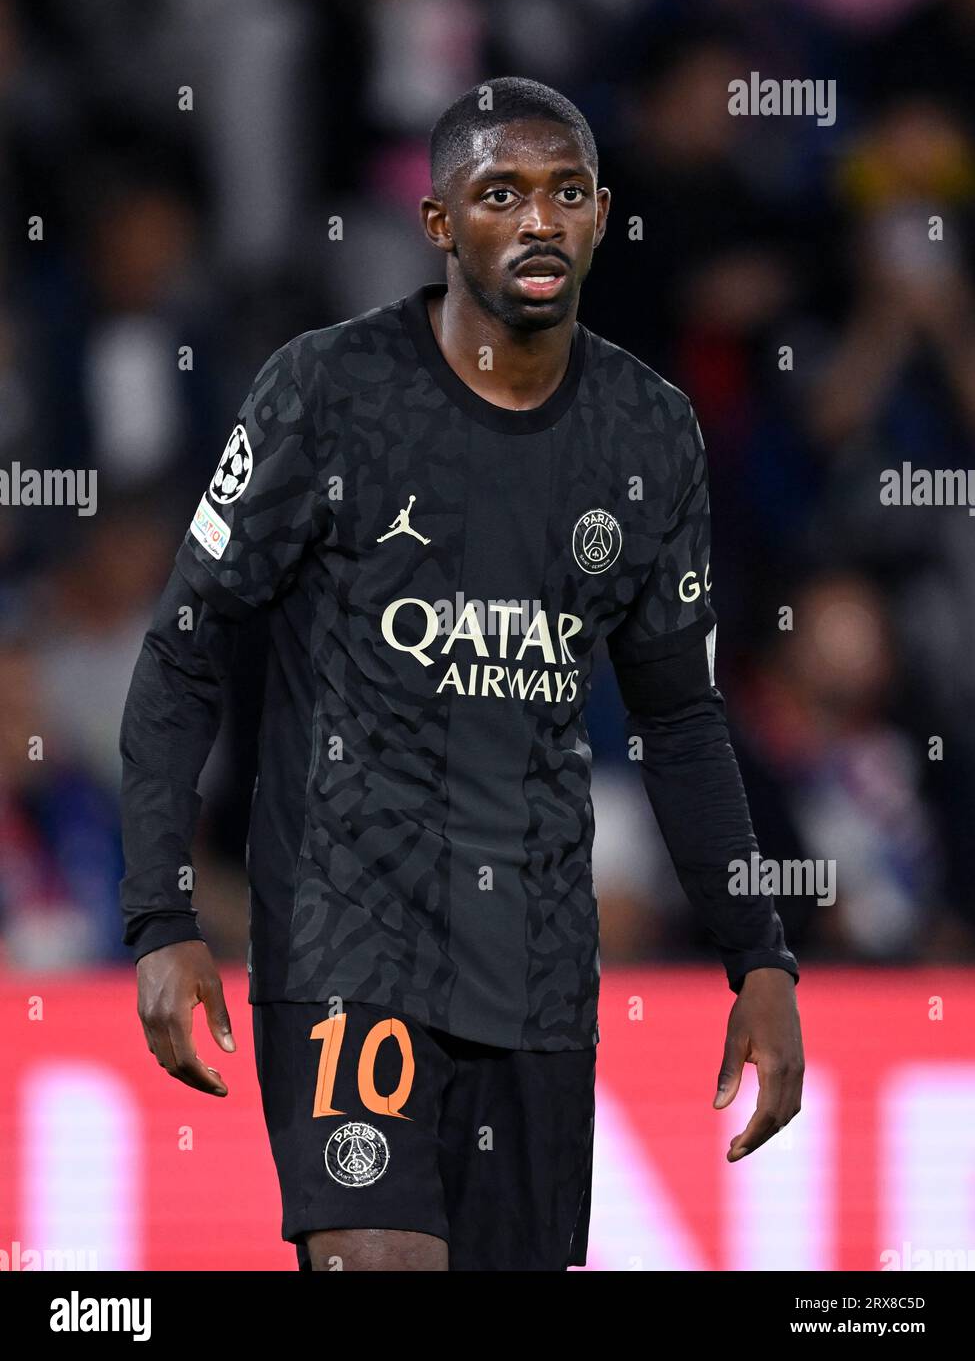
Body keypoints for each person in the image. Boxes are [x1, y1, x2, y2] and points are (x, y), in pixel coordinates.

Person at [118, 77, 803, 1273]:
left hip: (538, 966)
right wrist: (160, 917)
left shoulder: (649, 436)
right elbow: (183, 653)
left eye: (566, 194)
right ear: (440, 224)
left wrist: (760, 956)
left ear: (600, 217)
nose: (538, 221)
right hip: (349, 939)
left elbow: (682, 720)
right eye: (501, 194)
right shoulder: (327, 395)